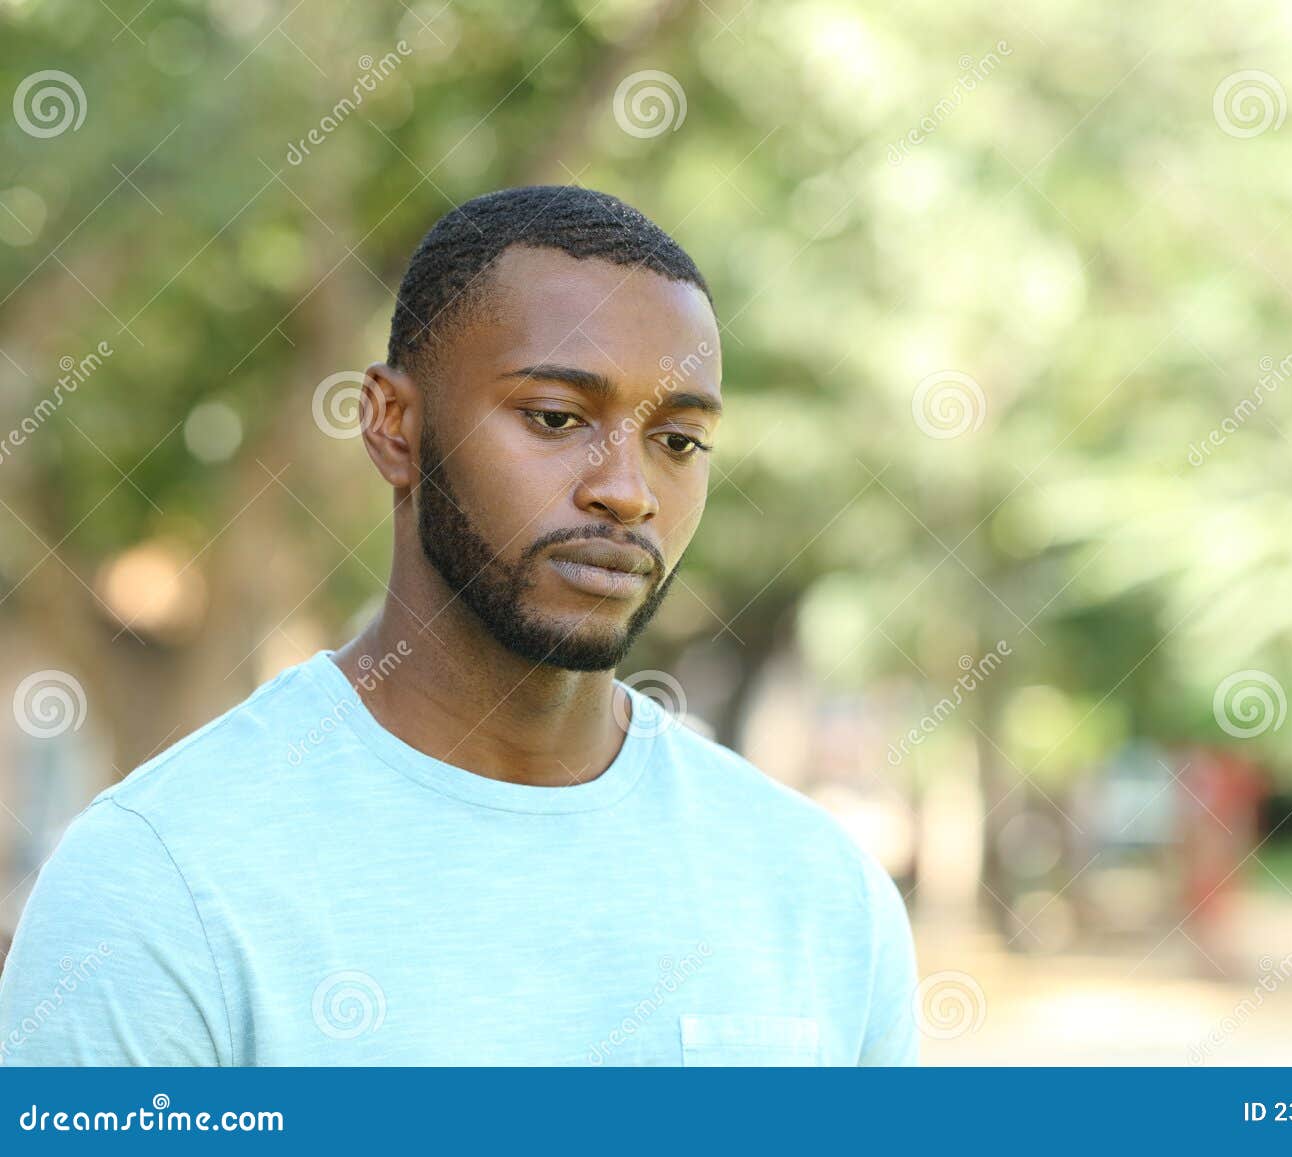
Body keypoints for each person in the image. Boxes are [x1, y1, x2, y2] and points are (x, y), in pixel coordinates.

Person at [0, 186, 919, 1066]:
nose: (628, 490)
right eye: (556, 417)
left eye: (677, 440)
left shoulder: (819, 894)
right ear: (393, 424)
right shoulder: (161, 880)